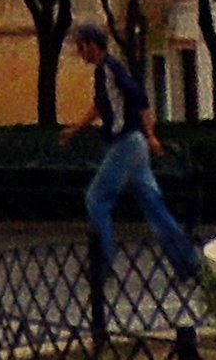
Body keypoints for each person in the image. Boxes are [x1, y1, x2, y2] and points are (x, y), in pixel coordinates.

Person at [73, 19, 202, 280]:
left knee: (96, 199)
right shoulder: (104, 73)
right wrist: (75, 129)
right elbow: (101, 106)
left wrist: (151, 135)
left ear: (92, 45)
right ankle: (187, 263)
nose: (80, 52)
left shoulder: (110, 70)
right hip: (134, 147)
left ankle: (103, 261)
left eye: (81, 46)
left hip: (126, 145)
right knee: (154, 207)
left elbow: (140, 99)